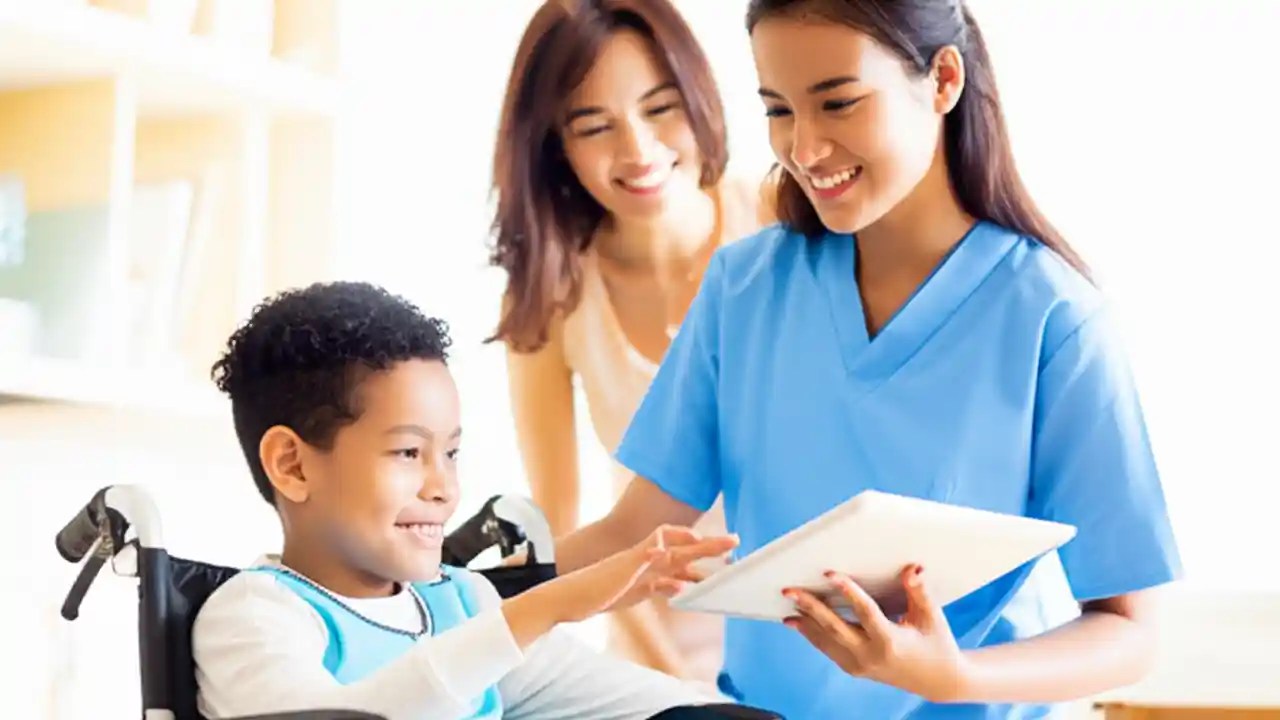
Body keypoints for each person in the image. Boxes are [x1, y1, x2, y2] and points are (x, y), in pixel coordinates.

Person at [551, 0, 1183, 718]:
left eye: (839, 102)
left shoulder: (1052, 317)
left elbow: (1129, 632)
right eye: (779, 110)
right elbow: (631, 533)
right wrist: (465, 587)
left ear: (943, 80)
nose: (804, 148)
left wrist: (954, 678)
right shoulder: (743, 290)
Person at [191, 281, 742, 719]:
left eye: (451, 453)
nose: (444, 488)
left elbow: (644, 703)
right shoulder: (254, 616)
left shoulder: (459, 604)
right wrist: (545, 606)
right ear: (292, 464)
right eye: (408, 452)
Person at [488, 0, 769, 683]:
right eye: (594, 126)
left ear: (698, 96)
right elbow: (561, 530)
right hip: (660, 647)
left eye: (660, 108)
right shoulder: (552, 295)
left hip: (809, 617)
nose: (638, 150)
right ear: (555, 148)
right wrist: (676, 678)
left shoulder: (776, 215)